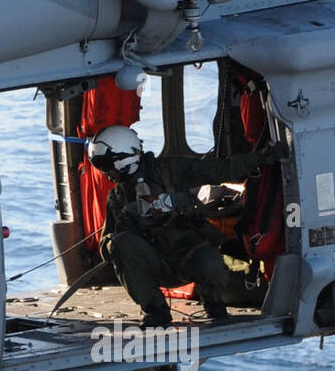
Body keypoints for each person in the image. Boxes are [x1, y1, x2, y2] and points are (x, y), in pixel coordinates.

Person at [88, 125, 287, 326]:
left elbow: (220, 170)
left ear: (123, 159)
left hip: (189, 256)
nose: (107, 174)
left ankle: (214, 304)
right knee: (121, 243)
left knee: (210, 263)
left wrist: (261, 158)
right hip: (156, 266)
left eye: (107, 167)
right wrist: (125, 227)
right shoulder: (117, 198)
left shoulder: (171, 170)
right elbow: (107, 247)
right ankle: (156, 311)